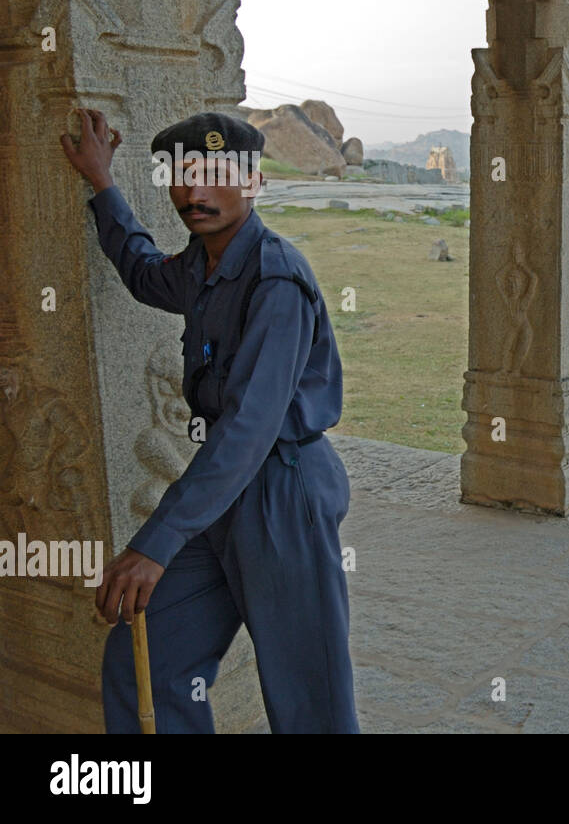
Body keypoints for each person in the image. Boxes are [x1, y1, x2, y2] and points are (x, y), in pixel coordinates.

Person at [60, 108, 359, 733]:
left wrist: (155, 542)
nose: (197, 192)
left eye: (220, 174)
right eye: (182, 174)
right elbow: (144, 273)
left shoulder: (275, 279)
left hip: (282, 490)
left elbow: (249, 429)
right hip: (219, 494)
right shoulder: (201, 265)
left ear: (255, 182)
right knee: (145, 660)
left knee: (309, 700)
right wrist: (102, 184)